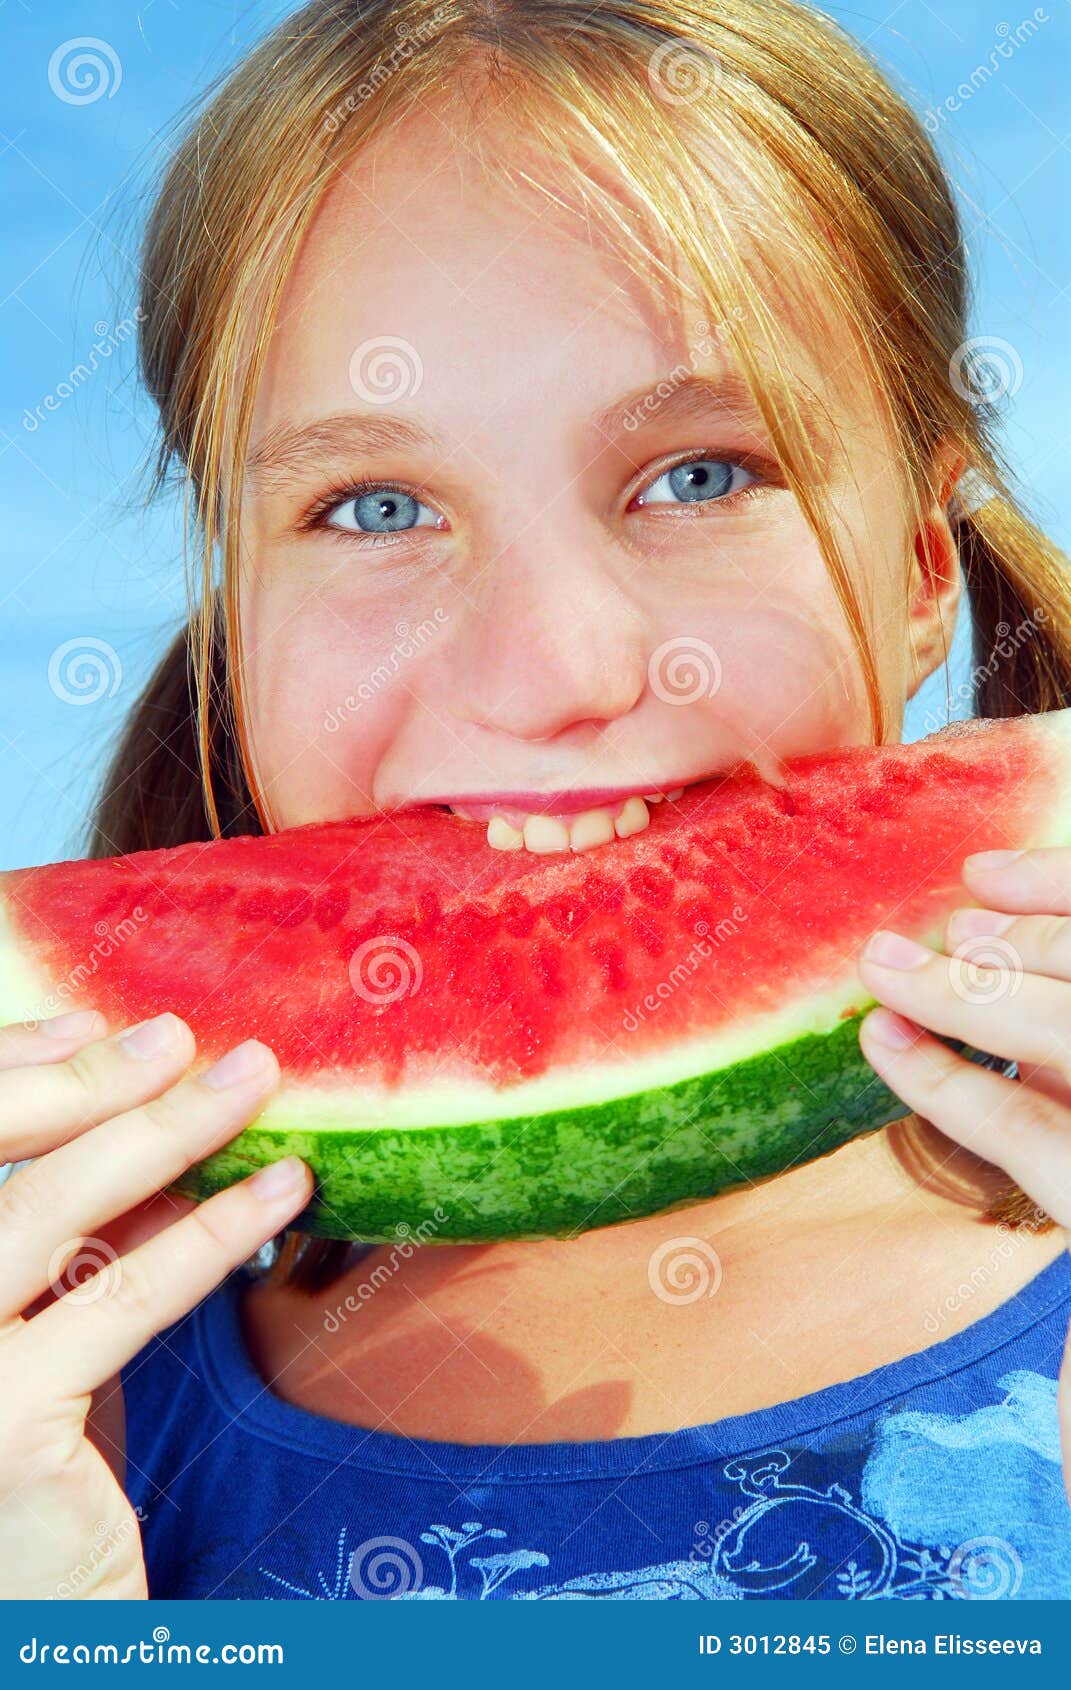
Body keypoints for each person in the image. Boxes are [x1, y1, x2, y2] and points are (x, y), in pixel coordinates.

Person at [2, 0, 1070, 1601]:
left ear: (925, 566)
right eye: (374, 505)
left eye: (699, 474)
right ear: (233, 611)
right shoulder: (72, 1393)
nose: (552, 667)